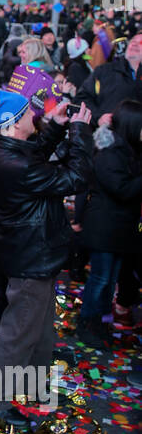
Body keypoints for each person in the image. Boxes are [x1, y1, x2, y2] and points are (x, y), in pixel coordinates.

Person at [0, 70, 93, 423]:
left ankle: (32, 383)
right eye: (29, 114)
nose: (36, 115)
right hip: (30, 255)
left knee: (40, 326)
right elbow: (76, 177)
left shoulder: (5, 149)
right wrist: (79, 132)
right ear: (14, 125)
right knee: (19, 329)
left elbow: (35, 153)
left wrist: (58, 127)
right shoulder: (13, 164)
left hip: (31, 252)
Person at [76, 99, 142, 350]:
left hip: (119, 230)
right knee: (100, 280)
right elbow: (122, 189)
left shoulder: (130, 150)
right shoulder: (109, 152)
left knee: (109, 279)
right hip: (105, 228)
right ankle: (88, 323)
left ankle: (102, 321)